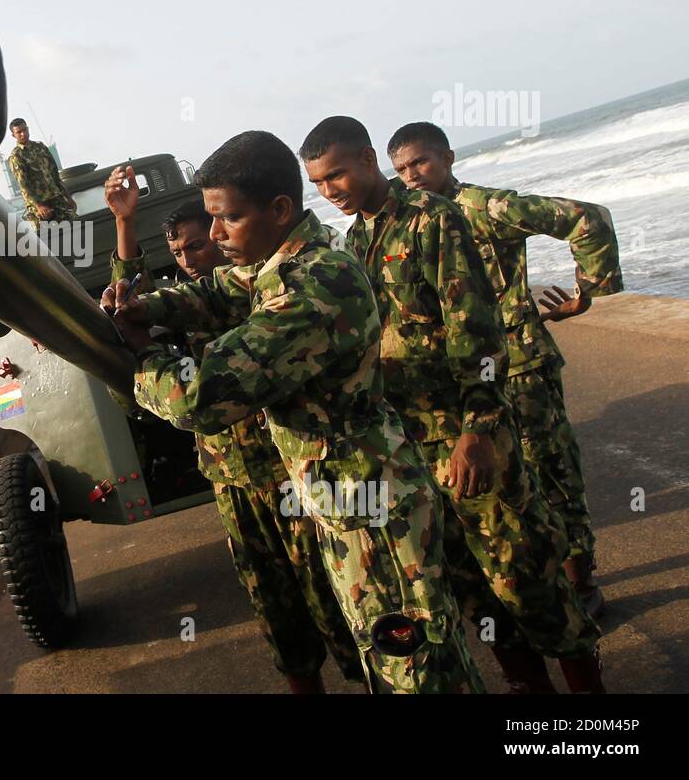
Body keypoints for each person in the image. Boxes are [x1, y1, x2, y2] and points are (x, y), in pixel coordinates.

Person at [107, 132, 481, 694]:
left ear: (280, 210)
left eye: (226, 219)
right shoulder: (278, 264)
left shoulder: (314, 284)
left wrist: (144, 353)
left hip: (372, 513)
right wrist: (145, 305)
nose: (213, 235)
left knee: (414, 672)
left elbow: (200, 399)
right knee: (403, 663)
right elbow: (213, 294)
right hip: (346, 502)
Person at [300, 115, 606, 693]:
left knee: (528, 579)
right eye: (317, 183)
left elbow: (477, 334)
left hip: (470, 440)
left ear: (367, 159)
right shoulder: (357, 239)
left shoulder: (432, 220)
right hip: (414, 450)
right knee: (472, 591)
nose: (329, 190)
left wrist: (480, 430)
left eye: (336, 174)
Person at [104, 164, 363, 693]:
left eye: (204, 241)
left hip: (291, 475)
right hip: (232, 477)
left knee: (336, 604)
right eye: (179, 252)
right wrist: (125, 229)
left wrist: (145, 354)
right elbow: (132, 297)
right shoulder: (219, 286)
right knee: (277, 615)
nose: (195, 255)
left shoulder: (269, 285)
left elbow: (199, 394)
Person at [386, 121, 623, 617]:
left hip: (520, 368)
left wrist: (588, 291)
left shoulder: (485, 208)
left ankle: (582, 584)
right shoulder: (409, 224)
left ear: (447, 158)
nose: (412, 176)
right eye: (402, 169)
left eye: (420, 162)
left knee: (553, 473)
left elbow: (584, 217)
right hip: (466, 383)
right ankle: (535, 587)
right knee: (503, 489)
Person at [6, 118, 77, 224]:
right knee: (49, 237)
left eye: (24, 130)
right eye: (19, 132)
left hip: (57, 197)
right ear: (13, 135)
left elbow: (55, 175)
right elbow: (24, 185)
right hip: (40, 204)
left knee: (75, 223)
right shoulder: (16, 156)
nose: (23, 134)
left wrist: (68, 197)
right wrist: (38, 206)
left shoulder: (40, 147)